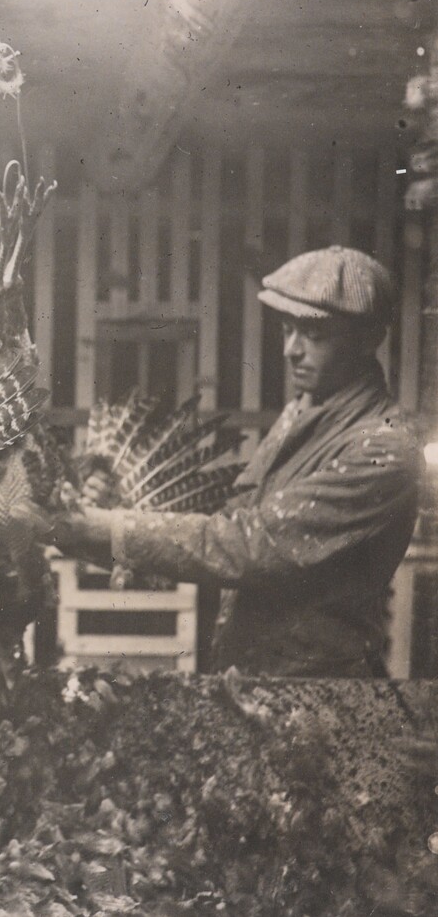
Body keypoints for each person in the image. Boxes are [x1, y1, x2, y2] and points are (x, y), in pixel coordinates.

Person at [49, 245, 422, 678]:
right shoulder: (303, 414)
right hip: (254, 675)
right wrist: (113, 515)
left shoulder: (383, 449)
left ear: (368, 340)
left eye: (314, 335)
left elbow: (249, 546)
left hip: (320, 688)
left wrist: (109, 527)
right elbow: (227, 523)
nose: (291, 350)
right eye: (288, 330)